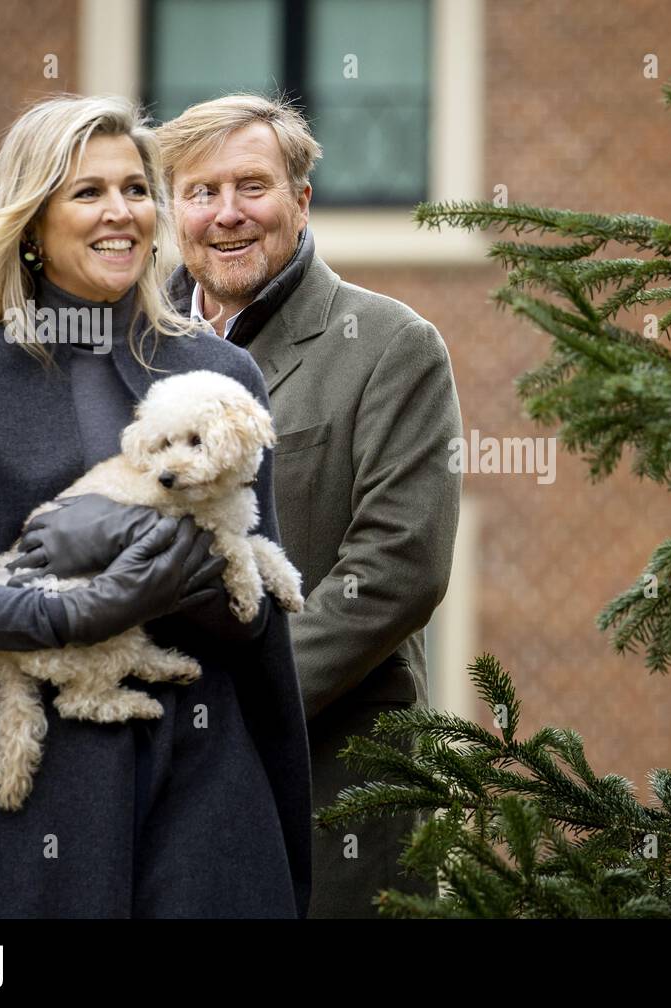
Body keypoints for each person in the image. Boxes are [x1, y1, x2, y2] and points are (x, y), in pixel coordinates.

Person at [0, 94, 312, 918]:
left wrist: (166, 568)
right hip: (19, 810)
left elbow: (255, 625)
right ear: (33, 224)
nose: (122, 213)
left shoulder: (216, 376)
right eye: (89, 193)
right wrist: (84, 610)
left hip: (200, 784)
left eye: (137, 190)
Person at [155, 93, 463, 917]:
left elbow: (400, 567)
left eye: (251, 187)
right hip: (148, 789)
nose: (227, 215)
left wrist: (231, 703)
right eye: (201, 191)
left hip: (330, 786)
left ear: (301, 198)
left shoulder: (393, 346)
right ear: (172, 209)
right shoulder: (124, 349)